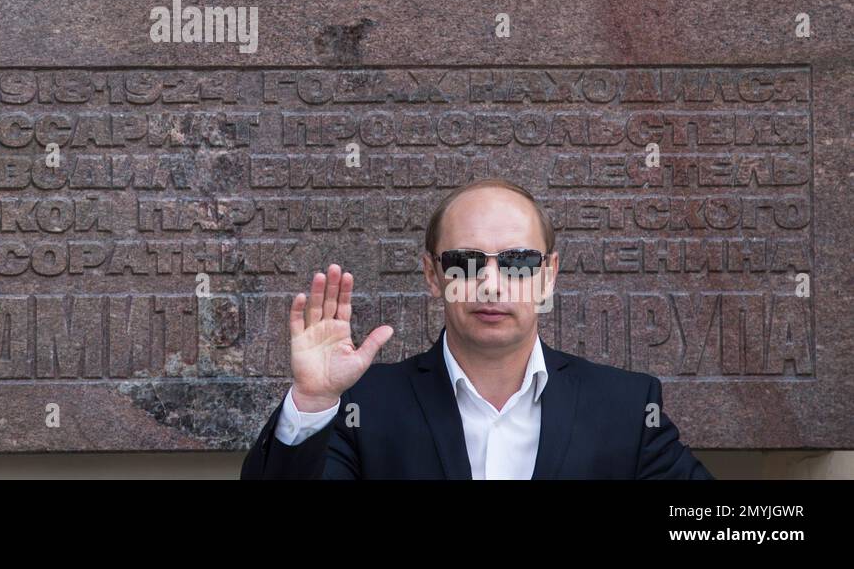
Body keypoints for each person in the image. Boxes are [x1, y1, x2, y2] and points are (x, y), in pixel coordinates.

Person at [241, 177, 712, 478]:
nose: (489, 283)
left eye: (518, 261)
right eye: (465, 261)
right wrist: (314, 403)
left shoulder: (626, 408)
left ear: (547, 274)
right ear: (432, 275)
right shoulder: (361, 406)